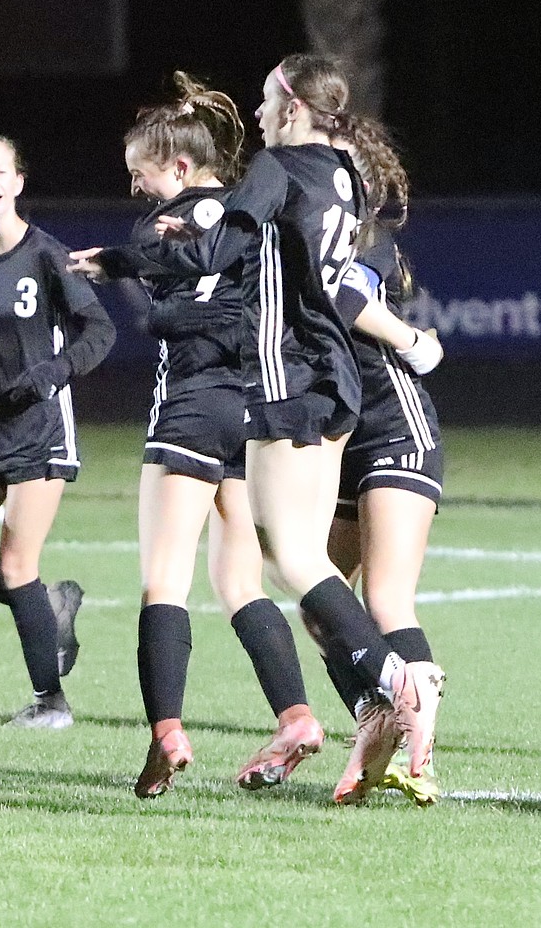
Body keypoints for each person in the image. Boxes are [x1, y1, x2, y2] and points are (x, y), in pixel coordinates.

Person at [71, 54, 443, 786]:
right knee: (284, 563)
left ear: (296, 106)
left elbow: (218, 249)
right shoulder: (344, 173)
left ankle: (394, 682)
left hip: (288, 375)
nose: (261, 111)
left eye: (270, 99)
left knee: (293, 558)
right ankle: (377, 702)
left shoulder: (278, 163)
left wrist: (122, 259)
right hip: (336, 378)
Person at [71, 75, 320, 797]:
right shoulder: (251, 212)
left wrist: (115, 267)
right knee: (239, 580)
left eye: (140, 173)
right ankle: (296, 715)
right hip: (251, 406)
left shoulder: (163, 225)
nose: (135, 189)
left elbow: (158, 316)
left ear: (178, 169)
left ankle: (166, 735)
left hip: (190, 404)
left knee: (164, 578)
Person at [0, 135, 110, 730]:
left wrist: (54, 374)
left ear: (18, 182)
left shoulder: (48, 255)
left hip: (40, 431)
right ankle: (48, 605)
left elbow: (99, 330)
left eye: (1, 171)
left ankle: (50, 703)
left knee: (15, 566)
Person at [317, 207, 448, 805]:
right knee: (320, 595)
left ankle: (419, 756)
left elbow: (343, 295)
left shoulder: (360, 232)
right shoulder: (284, 230)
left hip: (394, 426)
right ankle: (374, 714)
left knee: (385, 596)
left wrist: (415, 341)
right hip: (334, 431)